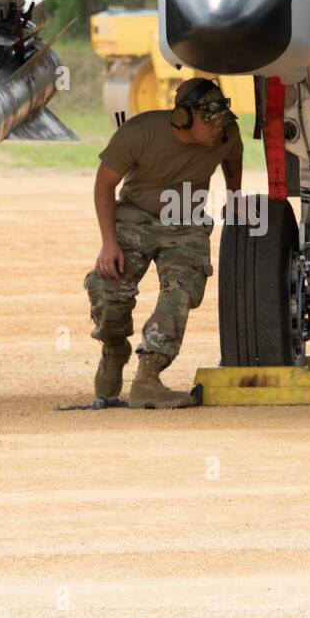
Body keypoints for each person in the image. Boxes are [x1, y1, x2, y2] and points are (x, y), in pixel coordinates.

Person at [84, 78, 243, 408]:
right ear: (183, 119)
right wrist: (109, 244)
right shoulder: (139, 133)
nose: (218, 130)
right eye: (209, 122)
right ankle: (114, 349)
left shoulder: (225, 134)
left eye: (221, 121)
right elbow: (104, 186)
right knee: (107, 289)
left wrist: (234, 195)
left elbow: (233, 157)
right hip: (135, 215)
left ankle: (148, 377)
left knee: (181, 290)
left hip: (186, 221)